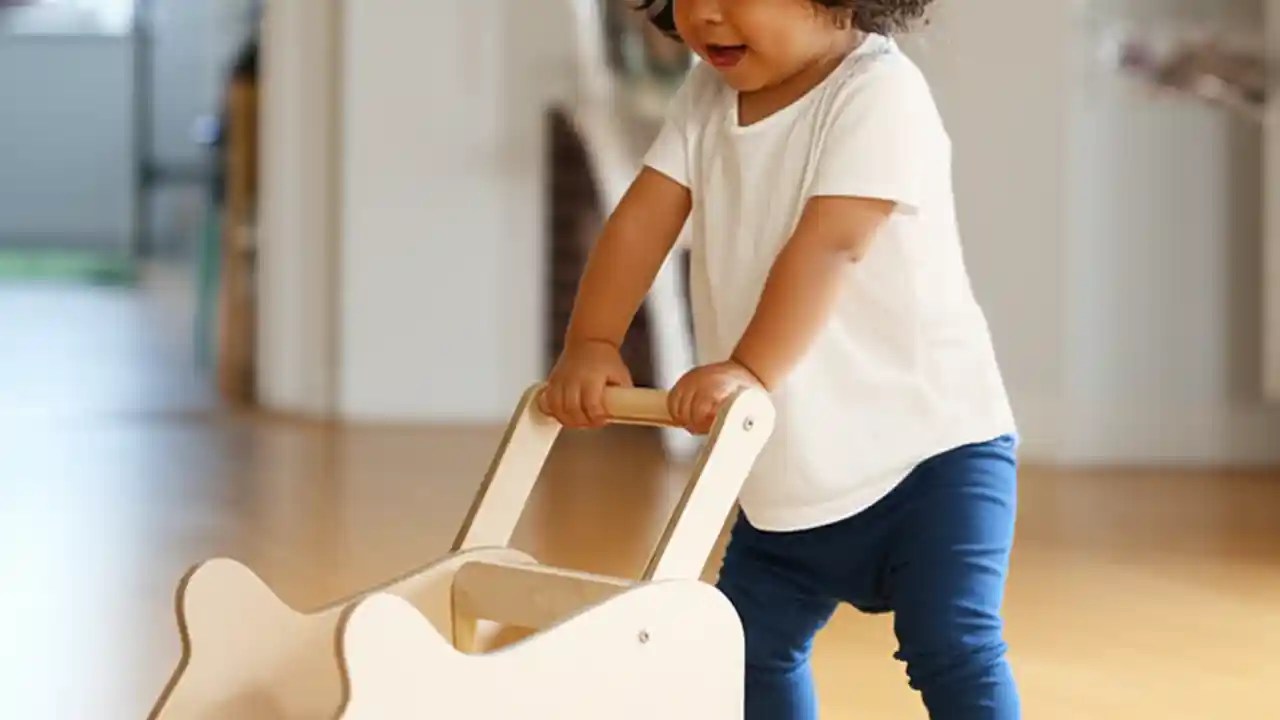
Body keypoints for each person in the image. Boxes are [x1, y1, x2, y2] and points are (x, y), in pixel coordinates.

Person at [539, 1, 1020, 717]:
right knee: (745, 651)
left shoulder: (877, 94)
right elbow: (642, 218)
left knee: (949, 642)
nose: (707, 14)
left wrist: (750, 370)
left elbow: (833, 242)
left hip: (933, 455)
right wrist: (593, 342)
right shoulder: (706, 98)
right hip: (791, 473)